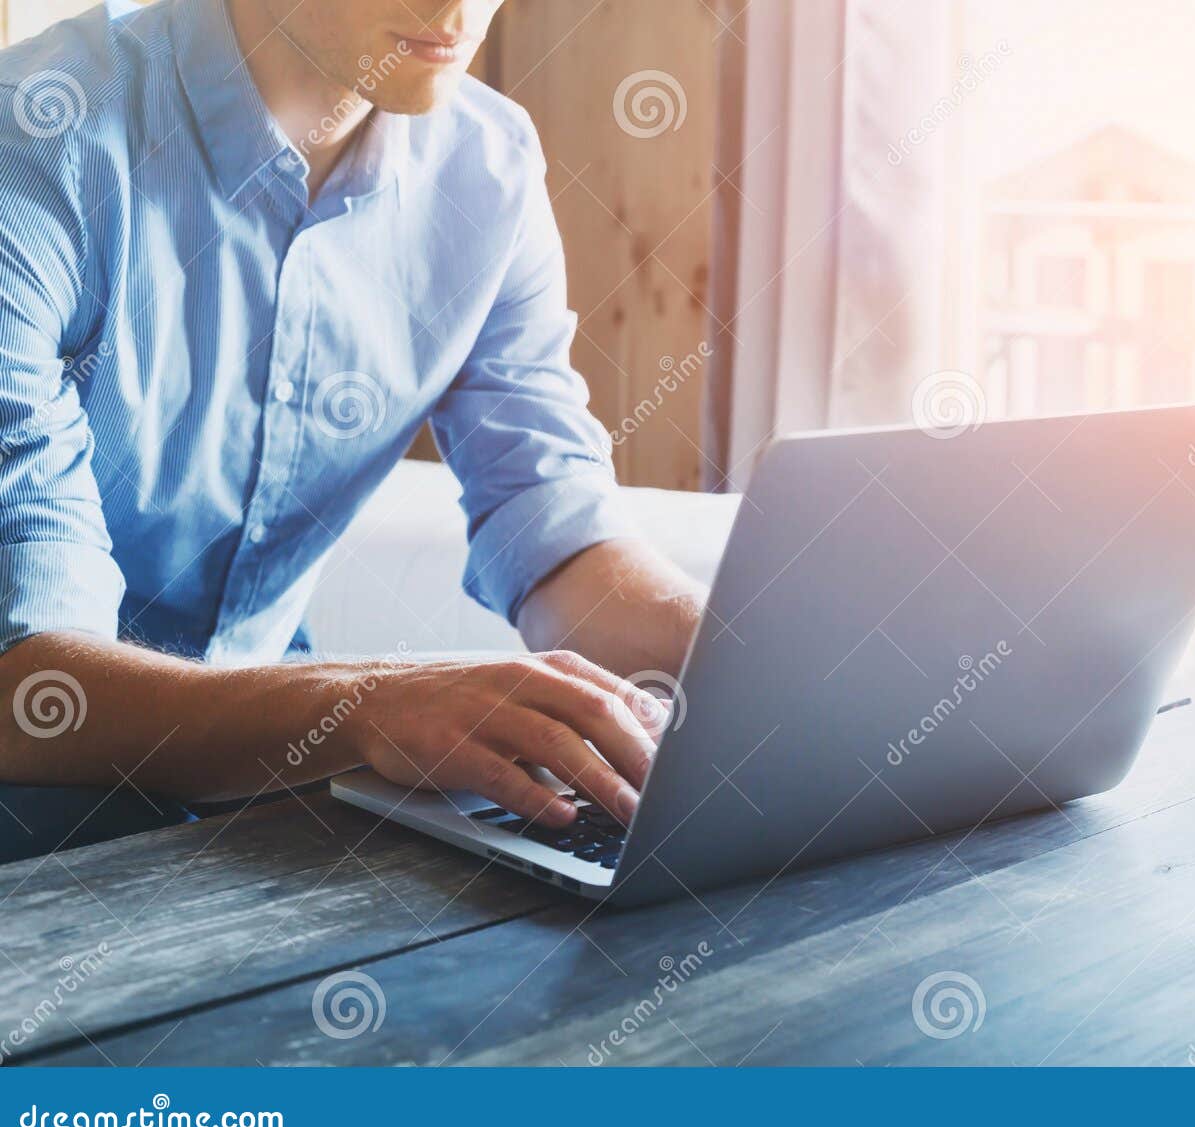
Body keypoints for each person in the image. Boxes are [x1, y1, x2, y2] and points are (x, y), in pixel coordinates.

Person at [0, 0, 705, 858]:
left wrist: (758, 654)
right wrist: (363, 705)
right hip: (39, 803)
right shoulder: (35, 141)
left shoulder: (488, 166)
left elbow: (555, 530)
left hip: (270, 770)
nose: (456, 9)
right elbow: (31, 686)